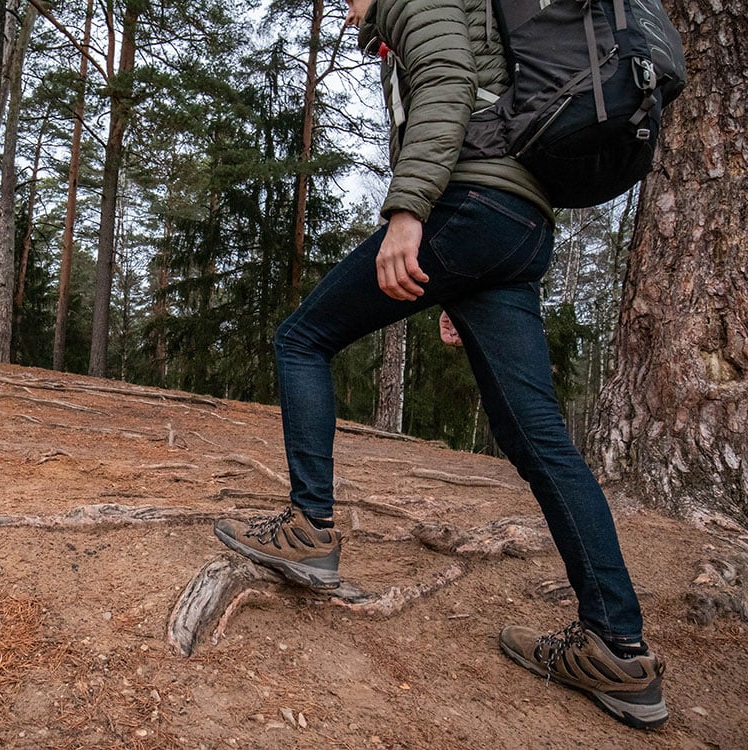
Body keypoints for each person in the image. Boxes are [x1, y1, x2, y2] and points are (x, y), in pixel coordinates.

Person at [213, 0, 668, 730]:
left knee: (302, 339)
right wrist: (460, 279)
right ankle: (619, 647)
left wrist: (408, 212)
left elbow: (451, 83)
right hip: (518, 225)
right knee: (540, 439)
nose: (343, 6)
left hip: (470, 202)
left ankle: (309, 528)